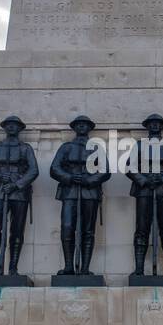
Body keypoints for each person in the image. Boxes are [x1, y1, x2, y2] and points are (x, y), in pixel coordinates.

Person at [0, 114, 38, 277]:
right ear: (4, 127)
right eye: (9, 124)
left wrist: (17, 184)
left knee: (17, 230)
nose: (11, 127)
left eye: (15, 125)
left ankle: (12, 268)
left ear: (20, 128)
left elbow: (33, 170)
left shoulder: (26, 148)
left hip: (19, 192)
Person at [49, 114, 110, 275]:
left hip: (90, 192)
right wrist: (69, 177)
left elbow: (106, 171)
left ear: (90, 128)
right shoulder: (66, 147)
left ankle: (85, 268)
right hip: (70, 191)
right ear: (74, 127)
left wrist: (90, 180)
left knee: (88, 230)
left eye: (85, 124)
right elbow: (54, 168)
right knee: (67, 227)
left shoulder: (97, 148)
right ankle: (69, 265)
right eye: (79, 124)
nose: (82, 127)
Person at [128, 112, 163, 277]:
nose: (155, 125)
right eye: (152, 123)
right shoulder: (139, 145)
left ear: (162, 126)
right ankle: (139, 269)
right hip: (144, 190)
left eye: (158, 123)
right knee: (142, 229)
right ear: (147, 126)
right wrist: (144, 180)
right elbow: (130, 167)